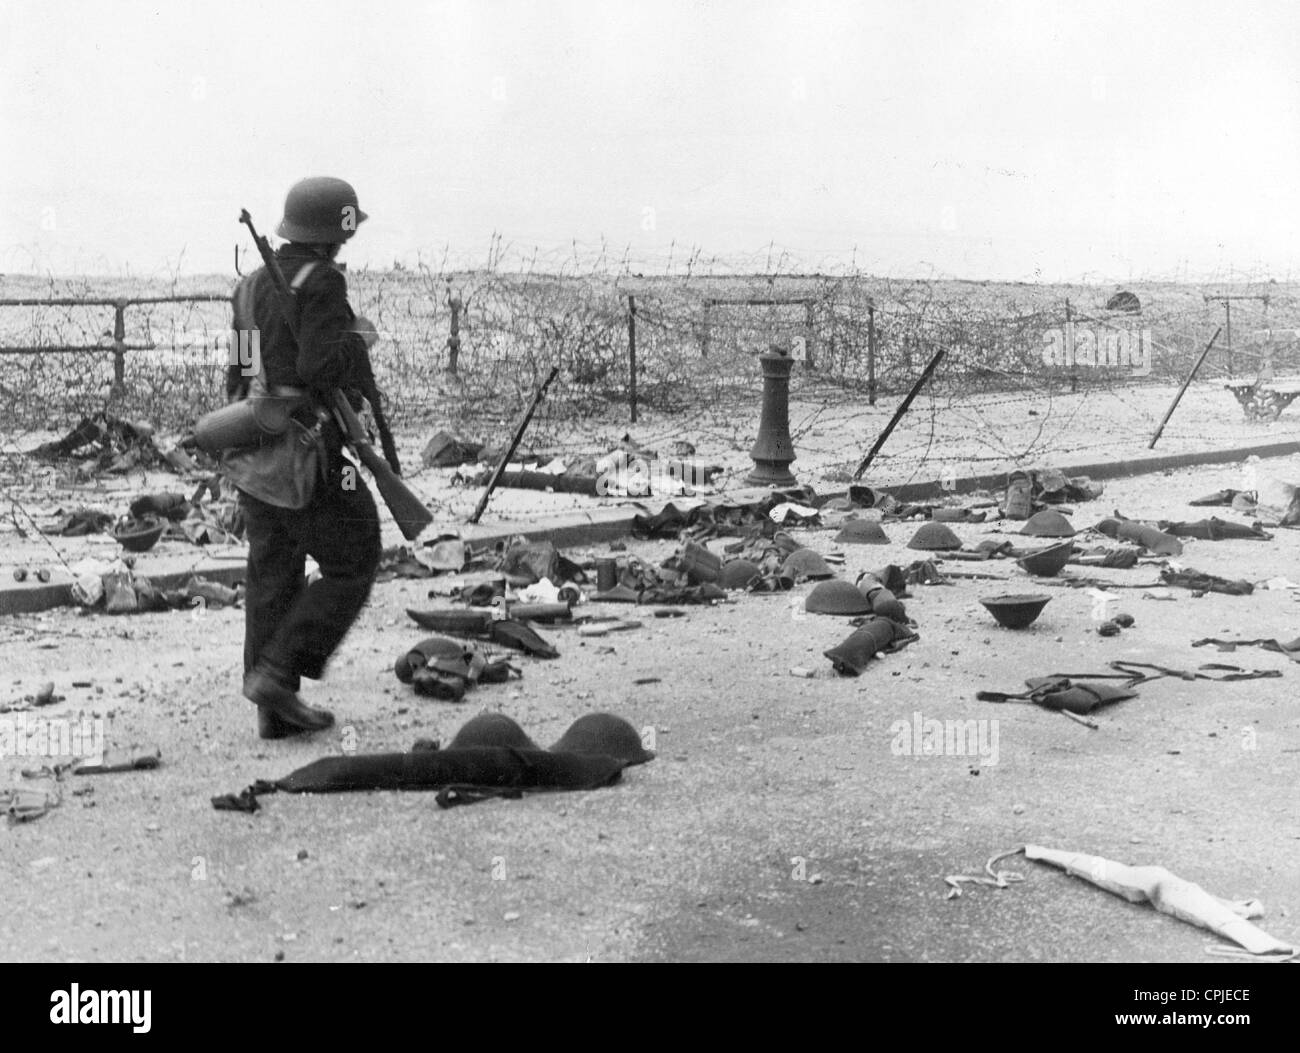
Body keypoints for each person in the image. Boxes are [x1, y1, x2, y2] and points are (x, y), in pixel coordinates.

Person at [226, 176, 382, 739]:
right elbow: (321, 366)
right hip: (311, 454)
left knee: (273, 572)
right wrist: (357, 339)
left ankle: (275, 709)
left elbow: (241, 372)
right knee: (355, 557)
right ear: (333, 234)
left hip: (255, 454)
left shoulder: (247, 287)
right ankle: (277, 671)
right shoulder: (322, 284)